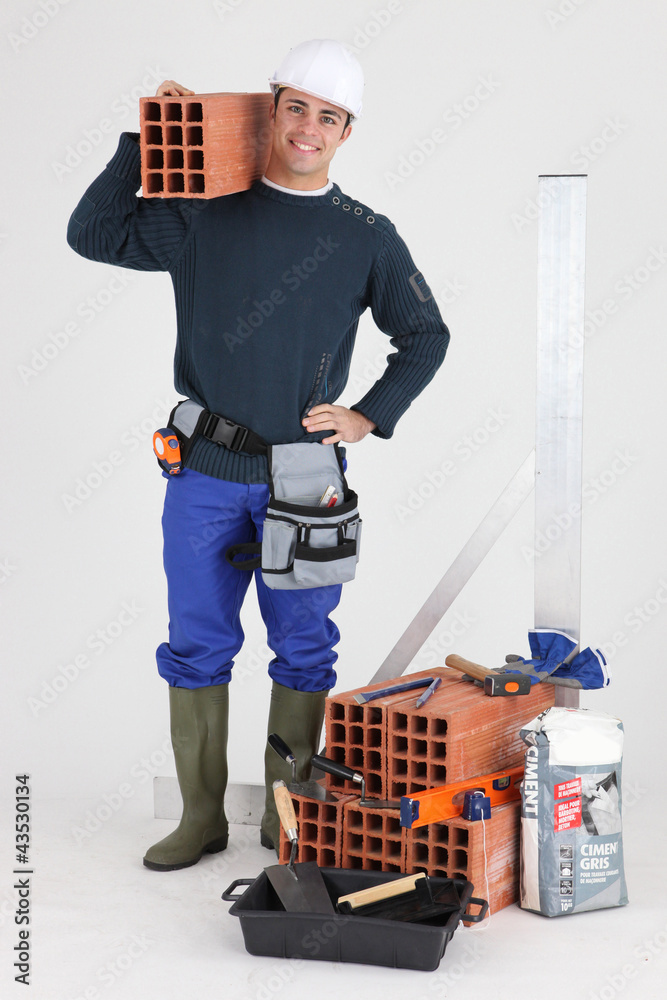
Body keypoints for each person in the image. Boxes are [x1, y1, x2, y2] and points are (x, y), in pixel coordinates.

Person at [67, 38, 449, 870]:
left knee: (304, 648)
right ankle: (201, 818)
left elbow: (424, 334)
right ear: (272, 109)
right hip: (204, 472)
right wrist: (144, 137)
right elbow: (92, 233)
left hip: (307, 482)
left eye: (330, 117)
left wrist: (366, 417)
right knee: (197, 643)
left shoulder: (364, 236)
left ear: (347, 133)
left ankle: (288, 823)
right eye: (298, 108)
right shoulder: (204, 209)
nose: (309, 128)